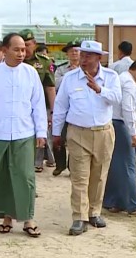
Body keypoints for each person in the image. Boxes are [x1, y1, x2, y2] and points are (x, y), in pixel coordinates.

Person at [0, 32, 48, 237]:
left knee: (25, 177)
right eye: (16, 49)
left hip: (24, 133)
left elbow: (38, 104)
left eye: (23, 50)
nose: (21, 54)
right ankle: (7, 217)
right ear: (4, 50)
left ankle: (28, 218)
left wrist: (41, 131)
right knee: (4, 177)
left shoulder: (30, 73)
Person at [53, 40, 121, 236]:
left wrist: (100, 90)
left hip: (104, 133)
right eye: (82, 55)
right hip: (77, 133)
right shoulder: (70, 78)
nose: (83, 59)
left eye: (88, 56)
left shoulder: (111, 77)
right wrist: (56, 133)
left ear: (99, 58)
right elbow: (60, 106)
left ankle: (94, 212)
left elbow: (117, 98)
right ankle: (79, 217)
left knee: (99, 176)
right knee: (79, 177)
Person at [103, 59, 136, 216]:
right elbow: (127, 109)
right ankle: (133, 204)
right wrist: (133, 133)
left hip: (114, 122)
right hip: (121, 125)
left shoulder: (121, 79)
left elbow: (129, 109)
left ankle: (114, 201)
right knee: (128, 166)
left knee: (116, 165)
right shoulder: (129, 83)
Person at [20, 29, 57, 173]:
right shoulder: (14, 62)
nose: (25, 49)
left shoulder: (45, 62)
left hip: (40, 105)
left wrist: (53, 112)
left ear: (34, 44)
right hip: (21, 106)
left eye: (28, 45)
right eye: (22, 45)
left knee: (41, 132)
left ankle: (38, 162)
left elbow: (50, 87)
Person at [52, 40, 81, 176]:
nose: (74, 53)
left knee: (76, 140)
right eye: (71, 51)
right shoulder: (61, 69)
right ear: (67, 54)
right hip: (64, 107)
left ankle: (72, 167)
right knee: (59, 137)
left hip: (78, 109)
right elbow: (55, 84)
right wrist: (70, 75)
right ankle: (60, 165)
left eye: (77, 51)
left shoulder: (86, 68)